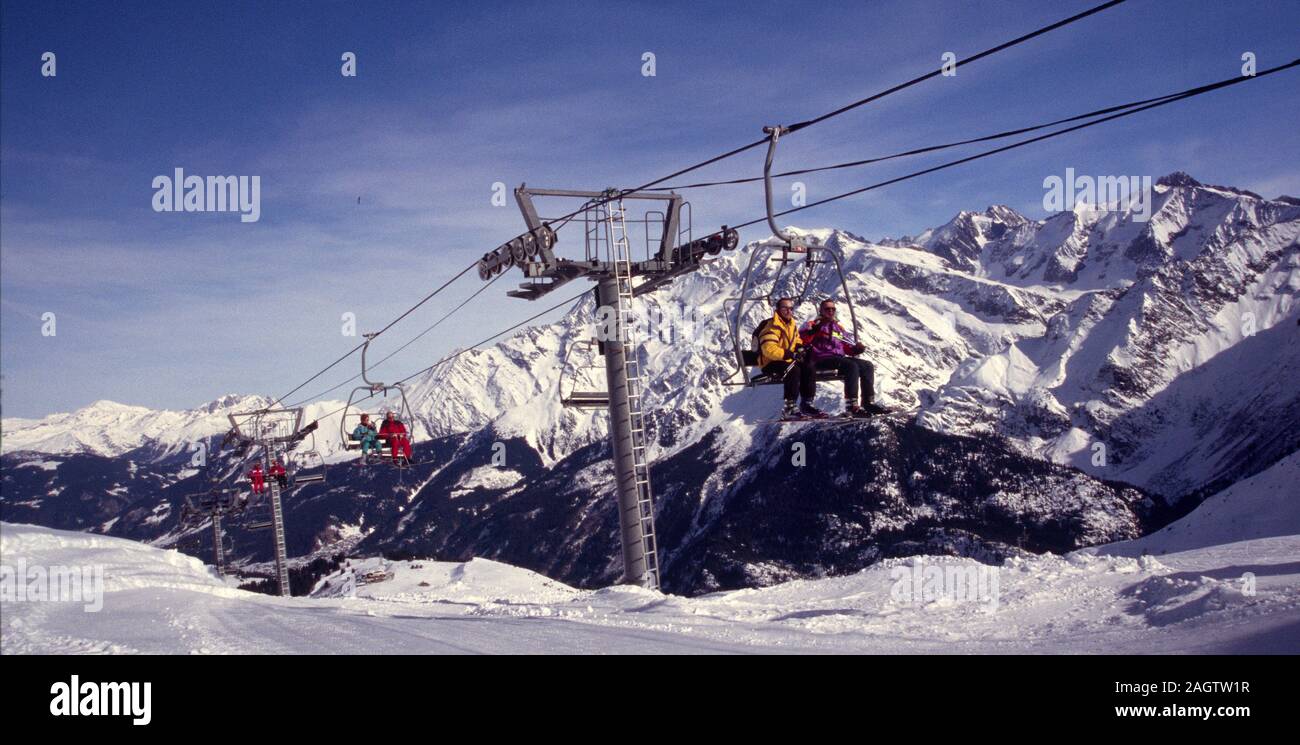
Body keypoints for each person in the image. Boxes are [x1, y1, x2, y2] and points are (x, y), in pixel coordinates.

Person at [799, 299, 887, 417]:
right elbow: (803, 339)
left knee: (867, 365)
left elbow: (846, 346)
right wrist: (813, 332)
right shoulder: (813, 325)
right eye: (827, 309)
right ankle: (851, 405)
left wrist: (856, 349)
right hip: (820, 358)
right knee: (851, 366)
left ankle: (868, 402)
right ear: (821, 311)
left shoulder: (838, 328)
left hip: (837, 358)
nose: (830, 311)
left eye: (833, 309)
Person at [758, 297, 826, 419]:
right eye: (785, 308)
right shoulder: (772, 327)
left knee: (809, 367)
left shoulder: (791, 324)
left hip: (785, 360)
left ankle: (807, 403)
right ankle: (789, 408)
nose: (789, 311)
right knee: (793, 370)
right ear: (778, 310)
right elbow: (769, 350)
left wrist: (799, 347)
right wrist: (790, 354)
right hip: (770, 363)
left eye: (791, 308)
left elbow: (796, 339)